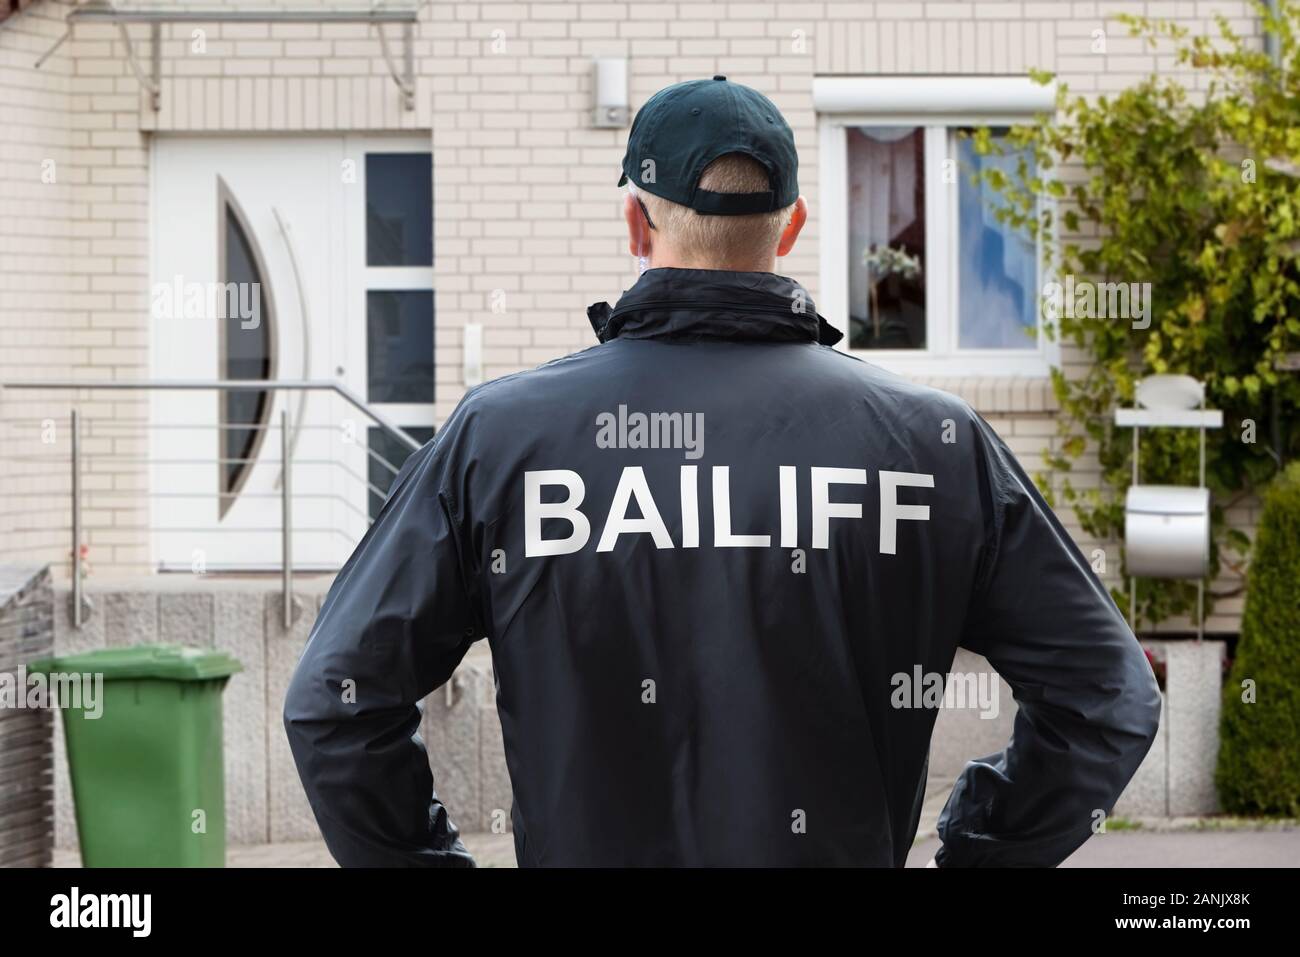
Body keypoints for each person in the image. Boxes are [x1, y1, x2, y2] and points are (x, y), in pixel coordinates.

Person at [284, 76, 1161, 867]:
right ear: (792, 225)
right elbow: (1109, 696)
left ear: (635, 222)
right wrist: (979, 849)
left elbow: (335, 703)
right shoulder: (933, 442)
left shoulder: (500, 438)